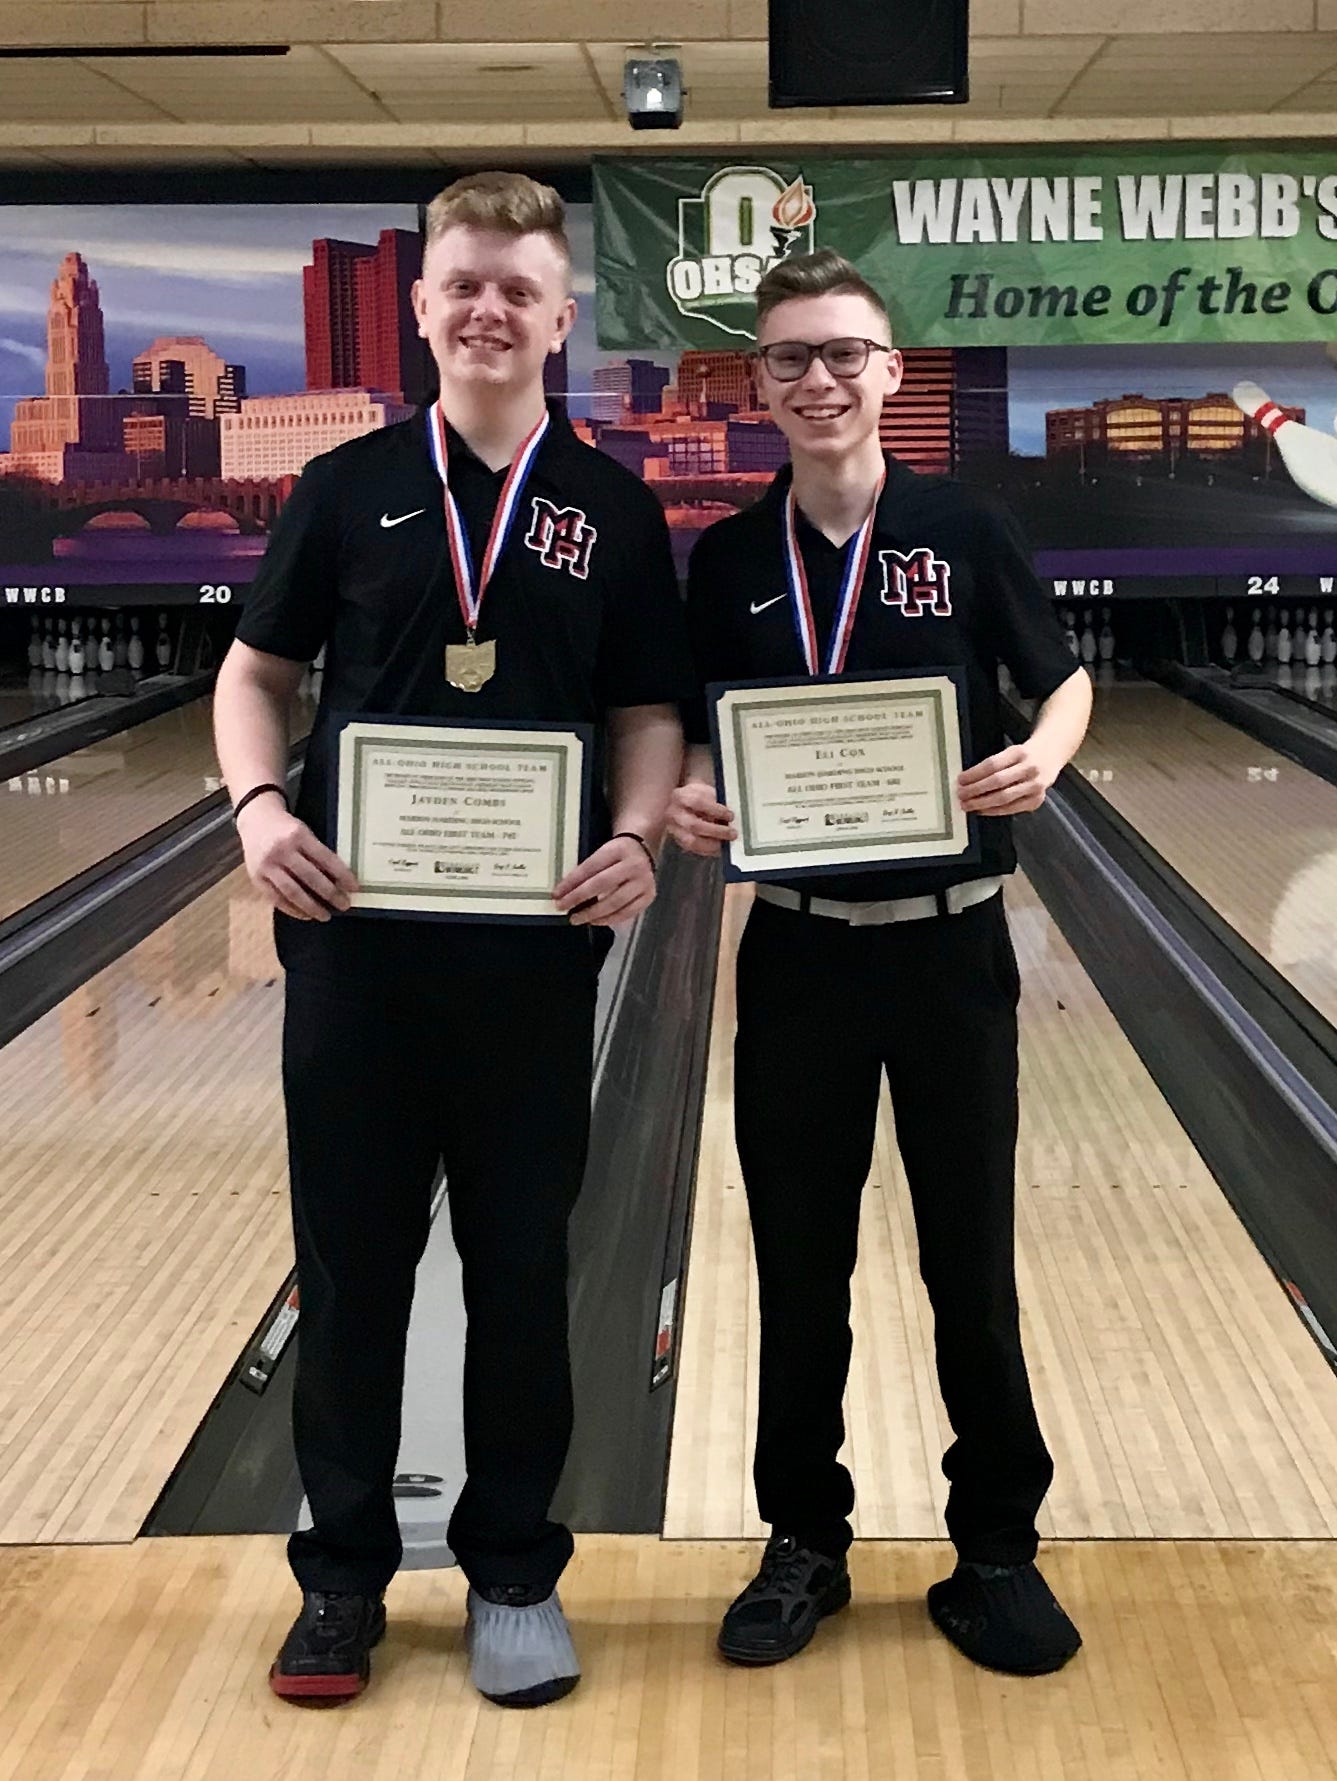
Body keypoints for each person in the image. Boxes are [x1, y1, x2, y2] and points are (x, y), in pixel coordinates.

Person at [214, 172, 693, 1708]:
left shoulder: (613, 506)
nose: (488, 308)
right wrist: (254, 810)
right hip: (355, 950)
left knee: (517, 1272)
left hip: (530, 961)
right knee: (350, 1272)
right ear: (423, 306)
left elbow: (641, 712)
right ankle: (341, 1581)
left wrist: (630, 836)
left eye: (518, 288)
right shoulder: (344, 488)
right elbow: (252, 675)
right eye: (462, 282)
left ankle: (510, 1574)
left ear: (561, 317)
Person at [666, 249, 1092, 1677]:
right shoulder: (727, 557)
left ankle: (995, 1548)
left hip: (949, 950)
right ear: (760, 383)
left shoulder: (961, 525)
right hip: (793, 958)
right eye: (789, 357)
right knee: (801, 1265)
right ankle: (804, 1540)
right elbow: (673, 727)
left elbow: (1063, 671)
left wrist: (1041, 752)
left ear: (888, 373)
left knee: (969, 1263)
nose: (818, 378)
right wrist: (677, 799)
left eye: (843, 352)